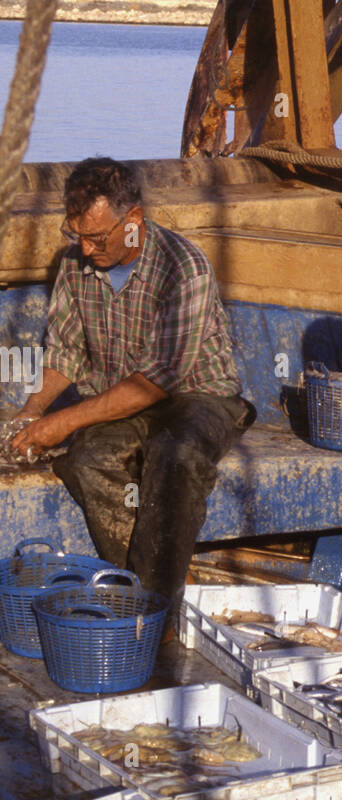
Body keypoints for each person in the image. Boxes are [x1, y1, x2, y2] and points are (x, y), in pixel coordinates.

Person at [12, 157, 255, 636]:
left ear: (134, 222)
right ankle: (134, 589)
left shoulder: (185, 268)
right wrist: (33, 411)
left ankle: (156, 613)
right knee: (84, 460)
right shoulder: (76, 263)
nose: (84, 248)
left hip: (198, 397)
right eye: (74, 234)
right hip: (122, 402)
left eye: (97, 238)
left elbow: (155, 384)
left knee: (175, 453)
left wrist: (62, 422)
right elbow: (65, 354)